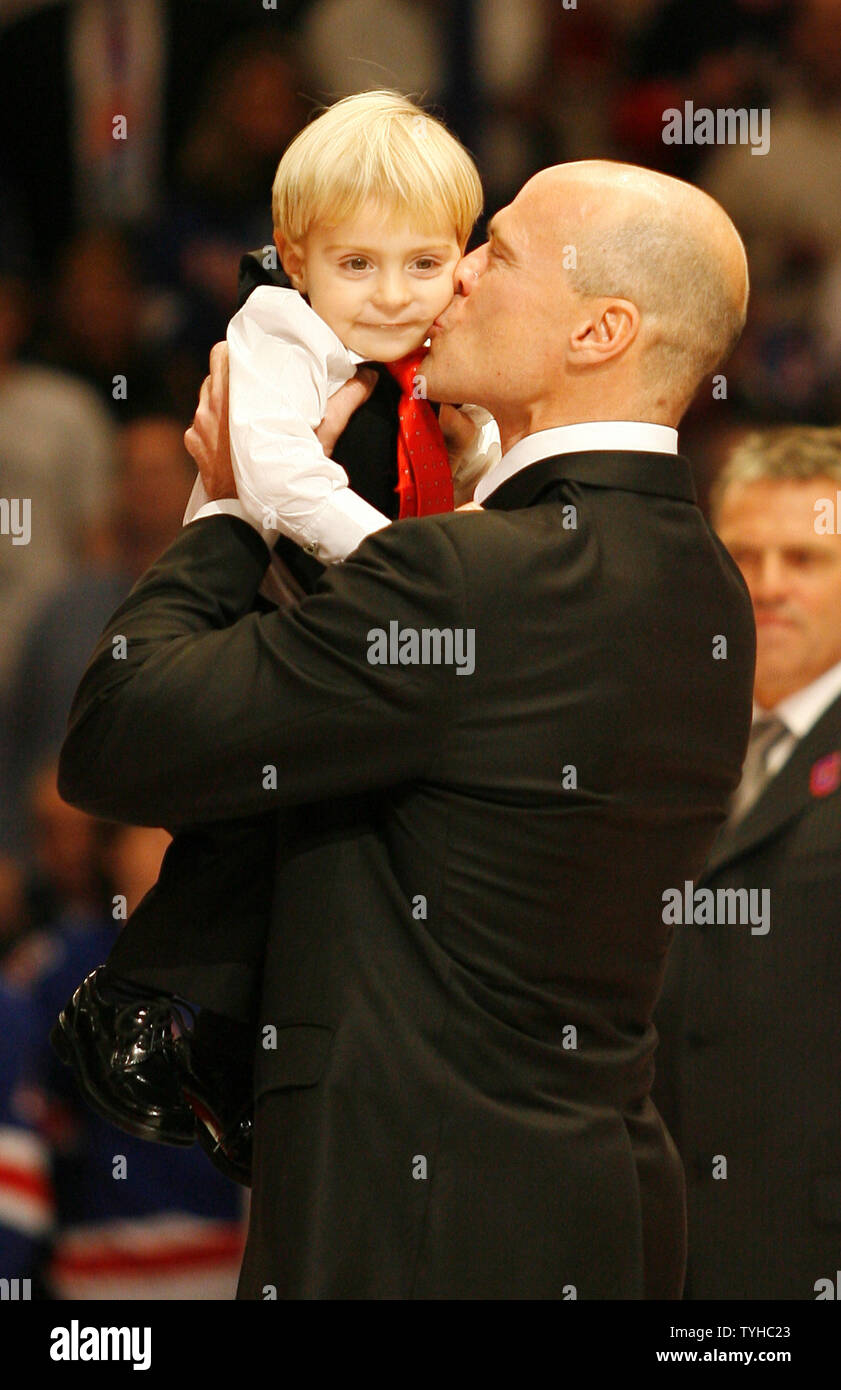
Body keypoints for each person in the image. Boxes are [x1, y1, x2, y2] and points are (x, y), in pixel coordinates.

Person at [58, 159, 755, 1299]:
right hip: (603, 1208)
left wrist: (233, 503)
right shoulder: (707, 587)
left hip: (406, 1227)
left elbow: (120, 729)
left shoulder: (471, 578)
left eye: (501, 253)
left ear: (601, 330)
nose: (455, 276)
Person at [52, 92, 490, 1182]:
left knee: (318, 842)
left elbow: (472, 448)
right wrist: (409, 567)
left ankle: (239, 1060)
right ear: (294, 257)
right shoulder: (275, 330)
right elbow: (280, 477)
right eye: (357, 265)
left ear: (462, 259)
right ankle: (133, 999)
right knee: (247, 826)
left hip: (375, 618)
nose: (392, 295)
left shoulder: (446, 341)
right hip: (284, 591)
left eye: (423, 264)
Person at [654, 425, 841, 1299]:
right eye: (745, 555)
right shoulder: (656, 742)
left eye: (803, 559)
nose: (768, 587)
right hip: (660, 1244)